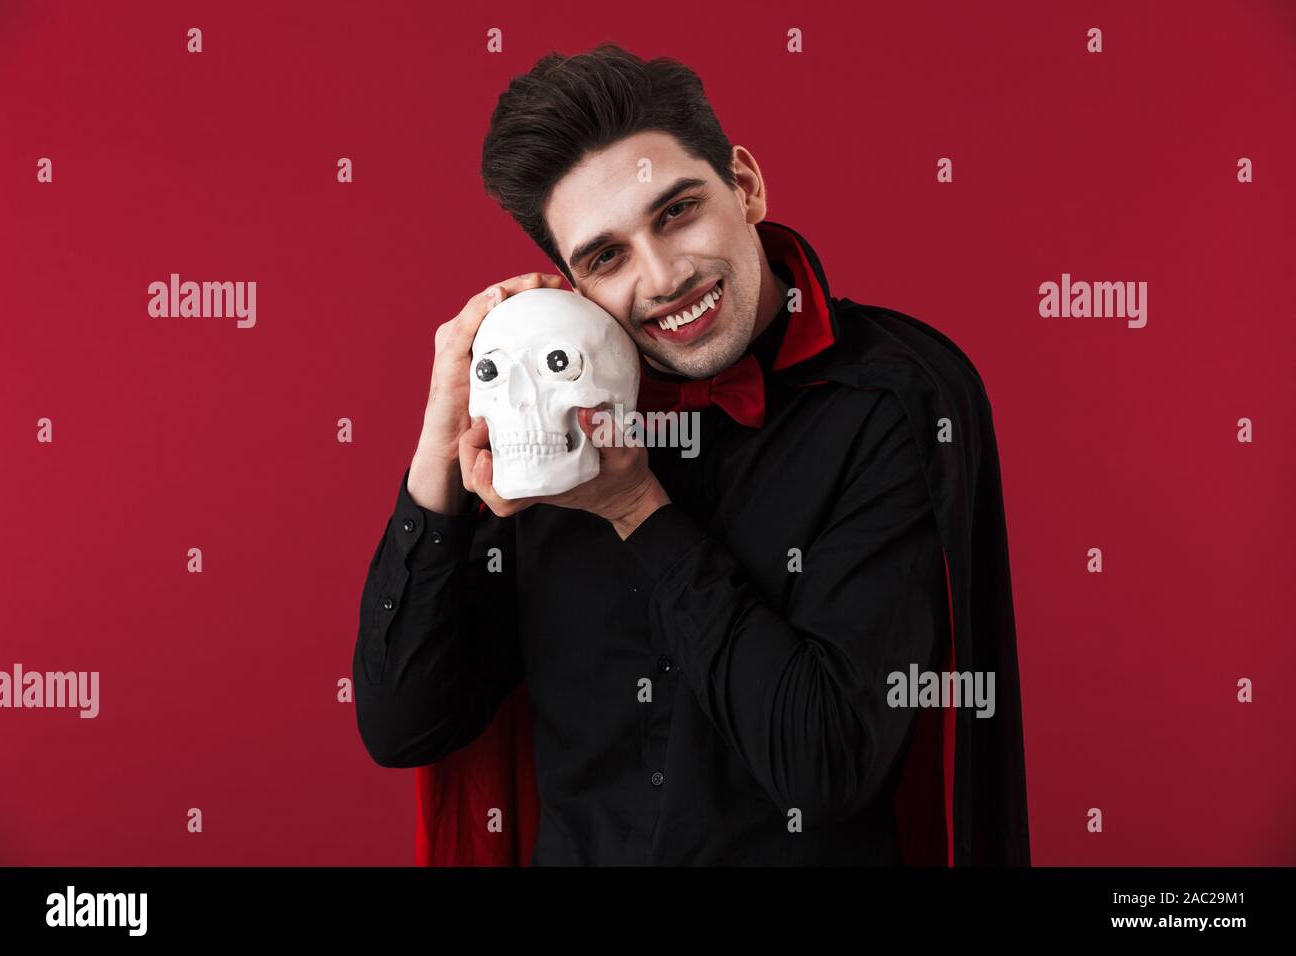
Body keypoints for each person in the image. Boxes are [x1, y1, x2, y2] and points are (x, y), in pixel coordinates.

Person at [353, 43, 1029, 866]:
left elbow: (826, 764)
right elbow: (407, 725)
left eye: (676, 212)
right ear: (573, 286)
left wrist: (637, 511)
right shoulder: (548, 421)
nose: (664, 276)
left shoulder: (896, 398)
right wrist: (437, 442)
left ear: (743, 185)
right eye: (606, 256)